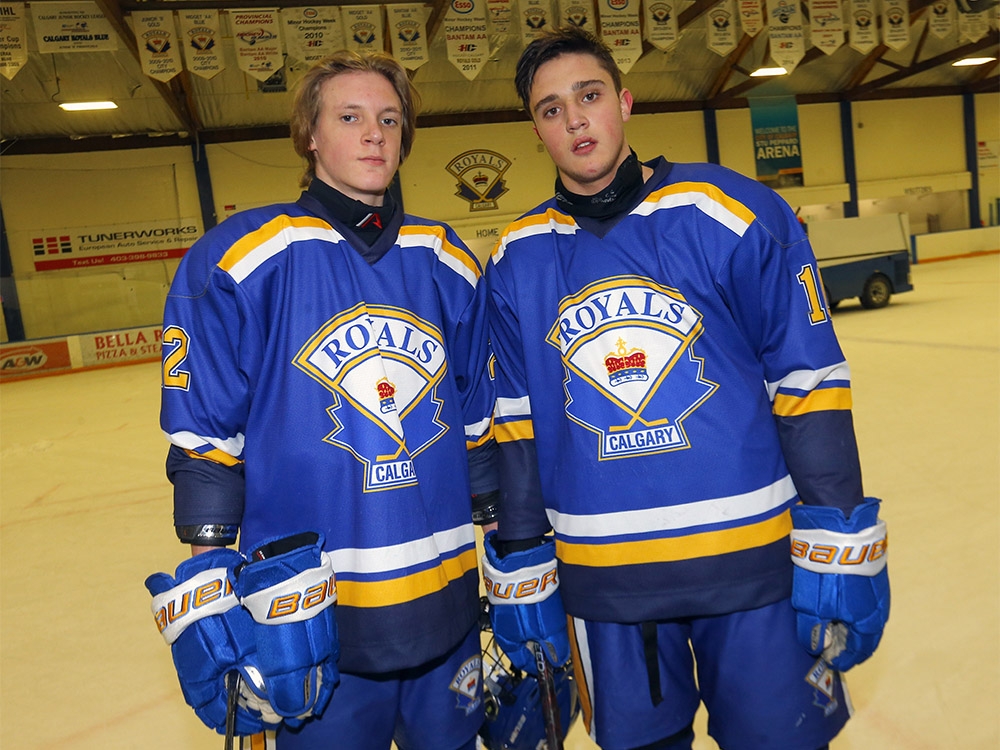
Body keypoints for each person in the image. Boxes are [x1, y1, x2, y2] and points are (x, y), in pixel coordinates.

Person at [481, 27, 890, 750]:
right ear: (536, 129)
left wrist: (838, 526)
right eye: (551, 109)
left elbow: (809, 378)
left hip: (753, 570)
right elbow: (516, 425)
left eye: (589, 95)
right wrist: (520, 560)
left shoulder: (729, 212)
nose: (575, 119)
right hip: (608, 588)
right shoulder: (516, 261)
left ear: (624, 102)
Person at [151, 50, 497, 750]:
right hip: (310, 617)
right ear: (310, 135)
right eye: (350, 117)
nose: (374, 134)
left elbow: (481, 420)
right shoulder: (241, 257)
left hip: (447, 603)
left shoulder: (448, 258)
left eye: (389, 119)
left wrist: (513, 547)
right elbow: (205, 440)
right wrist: (212, 573)